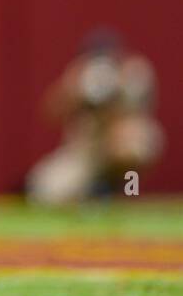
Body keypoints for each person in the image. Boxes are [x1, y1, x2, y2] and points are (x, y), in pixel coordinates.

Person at [26, 29, 164, 205]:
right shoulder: (77, 77)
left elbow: (137, 114)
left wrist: (115, 94)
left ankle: (115, 187)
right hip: (86, 151)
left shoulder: (133, 73)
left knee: (134, 145)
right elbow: (49, 113)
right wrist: (75, 94)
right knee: (44, 192)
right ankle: (94, 191)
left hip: (117, 143)